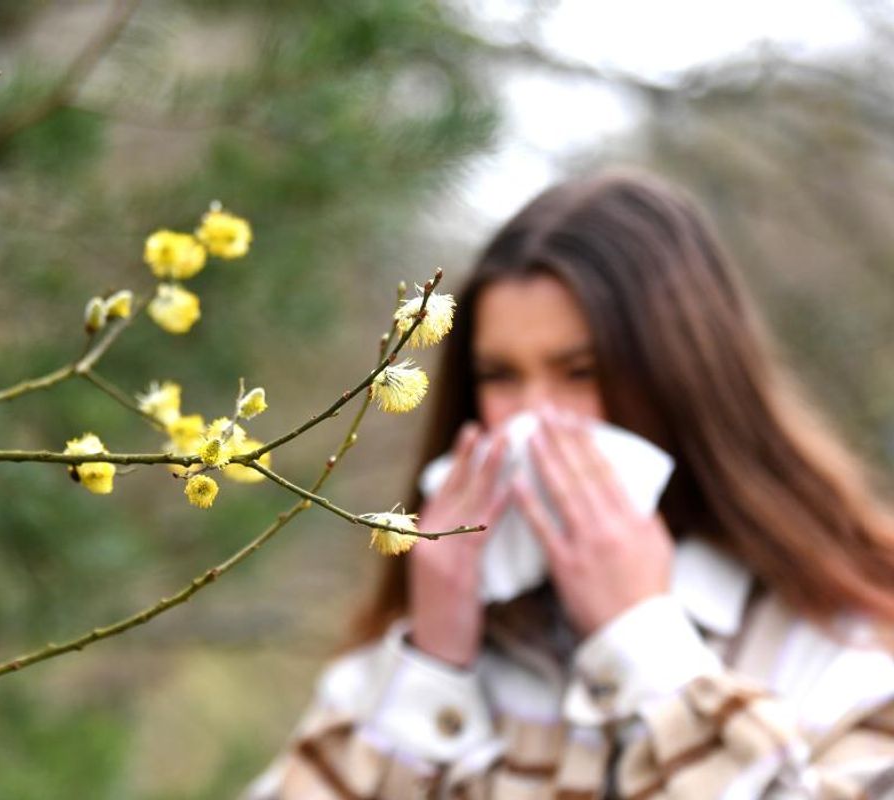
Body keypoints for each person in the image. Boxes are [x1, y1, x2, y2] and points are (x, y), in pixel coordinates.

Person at [243, 168, 894, 799]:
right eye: (500, 376)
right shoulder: (434, 647)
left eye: (580, 371)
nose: (532, 419)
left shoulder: (845, 649)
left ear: (682, 379)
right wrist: (433, 667)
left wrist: (643, 646)